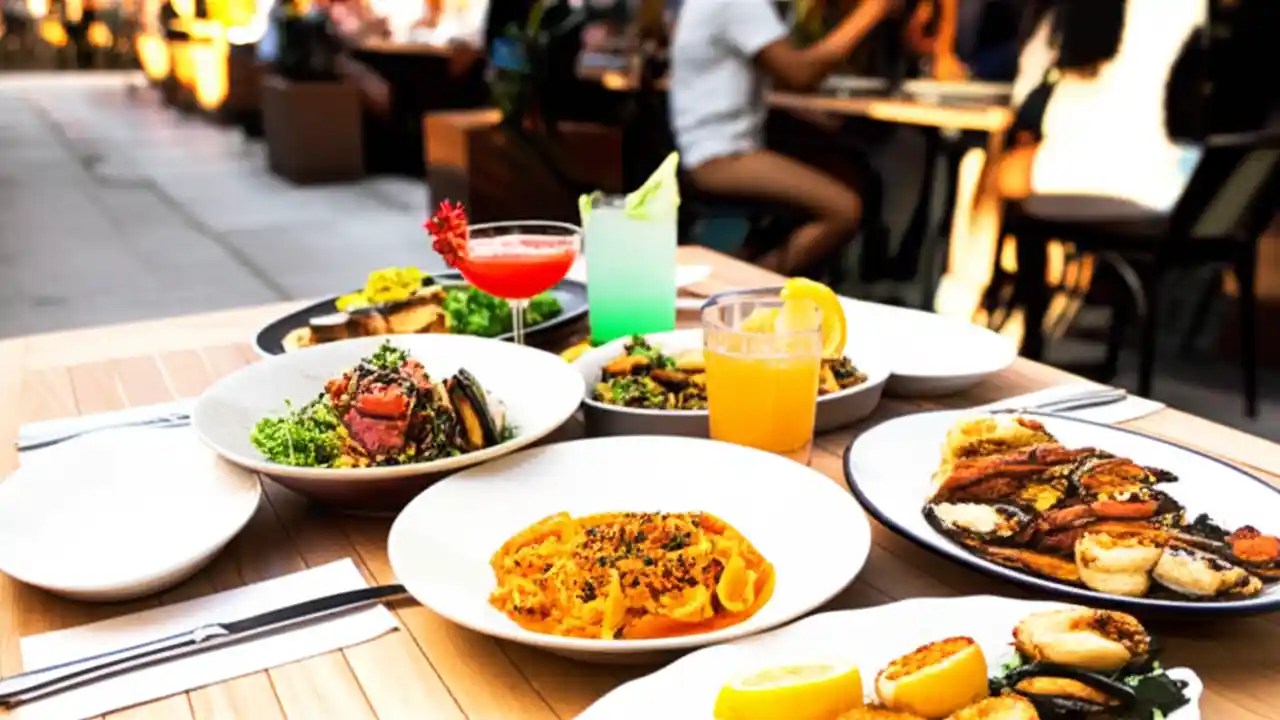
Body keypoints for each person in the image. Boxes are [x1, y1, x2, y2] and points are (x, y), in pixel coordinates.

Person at [669, 0, 899, 276]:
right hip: (721, 155)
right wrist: (873, 11)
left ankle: (757, 273)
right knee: (844, 209)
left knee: (847, 168)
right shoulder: (739, 4)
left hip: (705, 147)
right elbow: (799, 74)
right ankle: (749, 289)